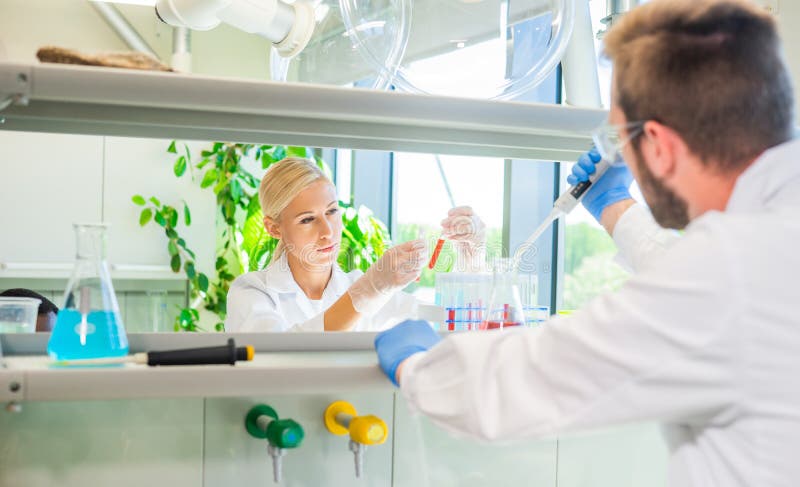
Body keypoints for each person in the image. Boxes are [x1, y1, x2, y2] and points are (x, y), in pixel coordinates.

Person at [374, 1, 800, 486]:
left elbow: (513, 388)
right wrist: (614, 205)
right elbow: (700, 283)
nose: (618, 154)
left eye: (618, 136)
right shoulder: (765, 242)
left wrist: (418, 366)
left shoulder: (732, 272)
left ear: (658, 144)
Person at [225, 157, 486, 332]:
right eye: (307, 219)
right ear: (274, 228)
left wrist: (472, 259)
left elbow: (454, 324)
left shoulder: (357, 287)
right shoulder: (252, 293)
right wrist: (368, 291)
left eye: (332, 211)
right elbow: (279, 355)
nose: (327, 232)